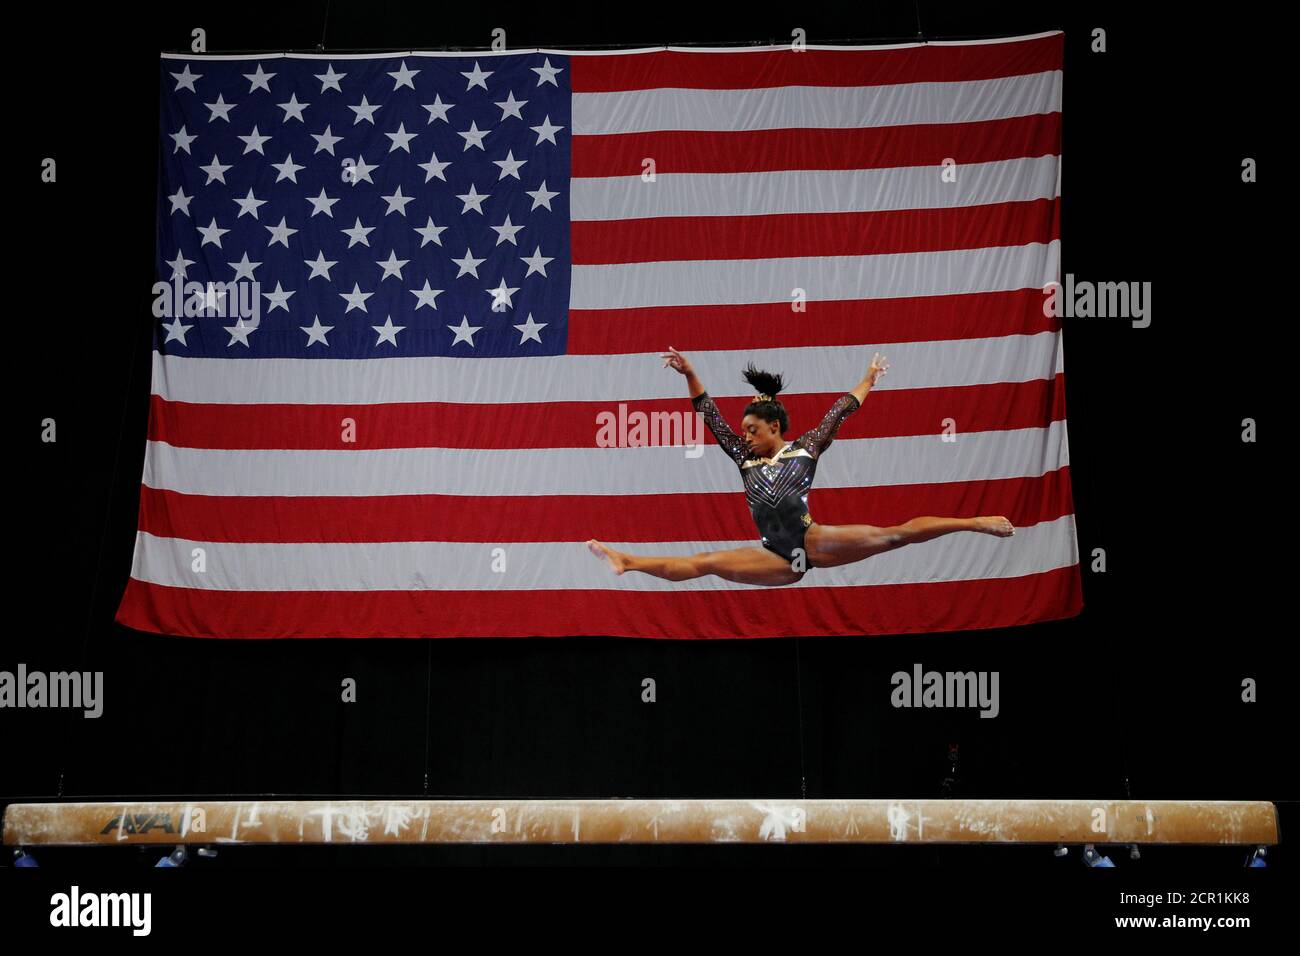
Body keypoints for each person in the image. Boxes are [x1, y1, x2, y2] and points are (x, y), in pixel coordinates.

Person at [587, 348, 1014, 586]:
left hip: (812, 543)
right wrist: (690, 372)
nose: (745, 436)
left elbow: (841, 410)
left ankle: (973, 521)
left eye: (752, 429)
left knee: (894, 536)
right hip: (777, 559)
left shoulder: (806, 448)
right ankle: (628, 560)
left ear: (774, 426)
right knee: (705, 562)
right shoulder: (743, 456)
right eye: (744, 431)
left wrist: (868, 378)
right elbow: (709, 414)